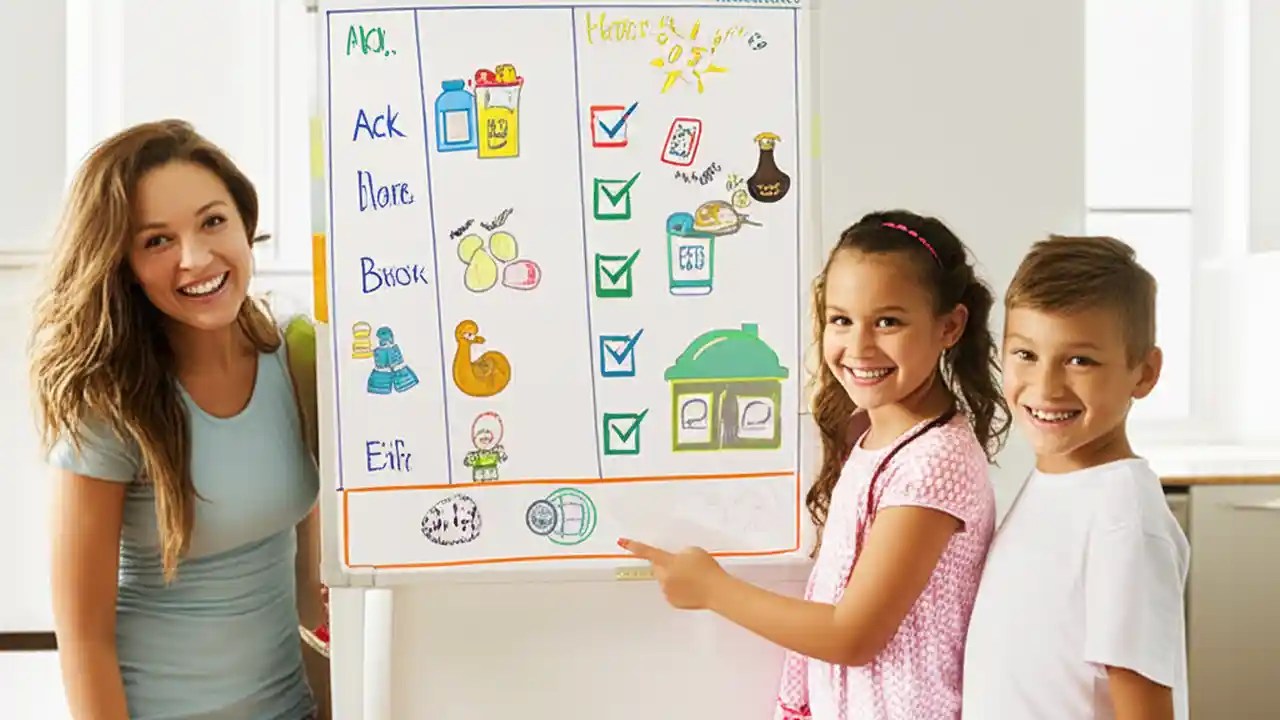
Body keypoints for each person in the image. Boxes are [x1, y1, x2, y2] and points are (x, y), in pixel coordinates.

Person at [621, 210, 1010, 719]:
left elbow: (852, 636)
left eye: (888, 322)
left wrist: (712, 589)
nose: (859, 346)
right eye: (841, 320)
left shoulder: (936, 463)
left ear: (950, 326)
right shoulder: (876, 435)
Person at [29, 119, 330, 720]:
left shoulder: (296, 355)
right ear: (124, 265)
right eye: (157, 241)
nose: (196, 258)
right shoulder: (111, 404)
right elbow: (82, 640)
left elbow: (307, 584)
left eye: (213, 221)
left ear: (246, 223)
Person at [962, 235, 1190, 720]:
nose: (1045, 387)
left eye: (1079, 360)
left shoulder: (1122, 516)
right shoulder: (1055, 485)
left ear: (1144, 374)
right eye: (1025, 354)